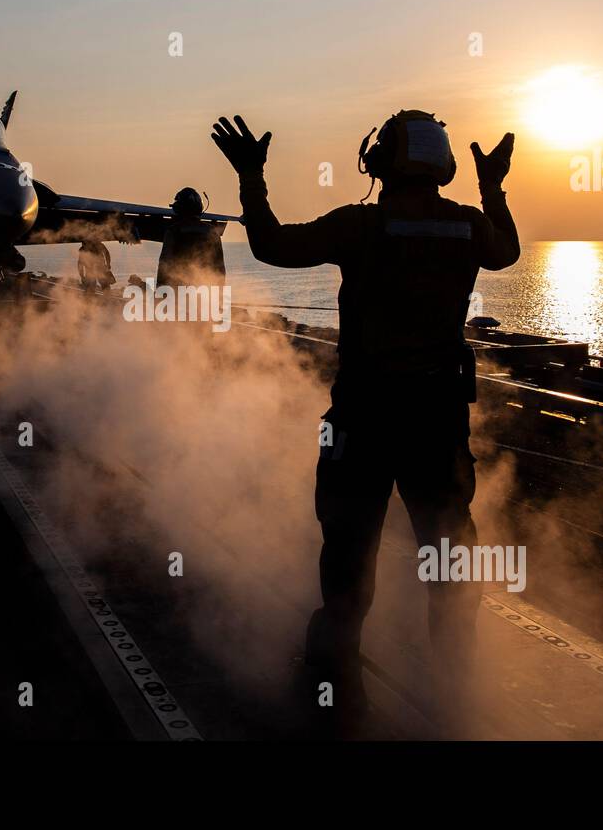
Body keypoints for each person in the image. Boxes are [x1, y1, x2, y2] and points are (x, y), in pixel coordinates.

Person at [211, 111, 520, 727]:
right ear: (443, 167)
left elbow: (272, 246)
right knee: (451, 562)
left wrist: (251, 178)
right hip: (437, 426)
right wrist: (492, 187)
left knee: (349, 568)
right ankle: (456, 696)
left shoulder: (360, 225)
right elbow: (507, 252)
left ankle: (335, 698)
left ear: (379, 164)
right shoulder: (467, 226)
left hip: (365, 421)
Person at [156, 187, 226, 289]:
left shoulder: (174, 231)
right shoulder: (212, 232)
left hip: (178, 289)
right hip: (206, 289)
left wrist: (160, 290)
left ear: (178, 209)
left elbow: (165, 263)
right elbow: (220, 267)